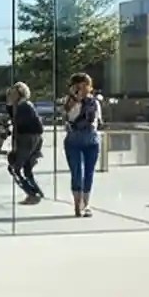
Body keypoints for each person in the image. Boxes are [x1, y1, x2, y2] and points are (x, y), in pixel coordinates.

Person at [62, 72, 102, 218]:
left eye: (86, 85)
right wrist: (75, 100)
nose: (83, 88)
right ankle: (77, 204)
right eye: (79, 85)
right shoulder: (69, 102)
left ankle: (86, 204)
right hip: (74, 141)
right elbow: (68, 118)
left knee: (89, 173)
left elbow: (96, 121)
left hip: (91, 141)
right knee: (77, 172)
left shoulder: (94, 102)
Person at [6, 82, 44, 204]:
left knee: (15, 168)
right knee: (26, 169)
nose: (10, 96)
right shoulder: (20, 106)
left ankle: (32, 193)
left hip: (27, 139)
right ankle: (36, 193)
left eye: (13, 93)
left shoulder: (24, 106)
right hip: (29, 139)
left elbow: (25, 126)